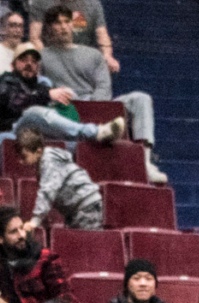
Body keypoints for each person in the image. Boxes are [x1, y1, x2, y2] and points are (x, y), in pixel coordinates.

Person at [37, 4, 164, 184]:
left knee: (141, 99)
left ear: (73, 25)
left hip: (96, 103)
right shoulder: (42, 56)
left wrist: (95, 107)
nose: (64, 26)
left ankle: (145, 161)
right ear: (49, 27)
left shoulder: (93, 54)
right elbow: (38, 86)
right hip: (66, 108)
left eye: (67, 22)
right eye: (58, 23)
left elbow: (104, 86)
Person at [0, 44, 125, 144]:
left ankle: (87, 141)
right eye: (23, 60)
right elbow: (16, 102)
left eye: (34, 61)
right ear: (12, 65)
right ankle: (95, 132)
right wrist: (48, 96)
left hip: (37, 137)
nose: (29, 64)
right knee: (33, 112)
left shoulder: (41, 88)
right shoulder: (4, 82)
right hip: (9, 131)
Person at [17, 126, 103, 233]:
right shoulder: (47, 160)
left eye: (24, 156)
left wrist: (35, 220)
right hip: (78, 208)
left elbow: (48, 190)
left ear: (38, 152)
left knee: (87, 243)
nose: (21, 161)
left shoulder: (49, 161)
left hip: (85, 207)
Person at [0, 205, 69, 303]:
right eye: (13, 232)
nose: (21, 235)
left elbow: (63, 297)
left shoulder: (45, 258)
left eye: (22, 228)